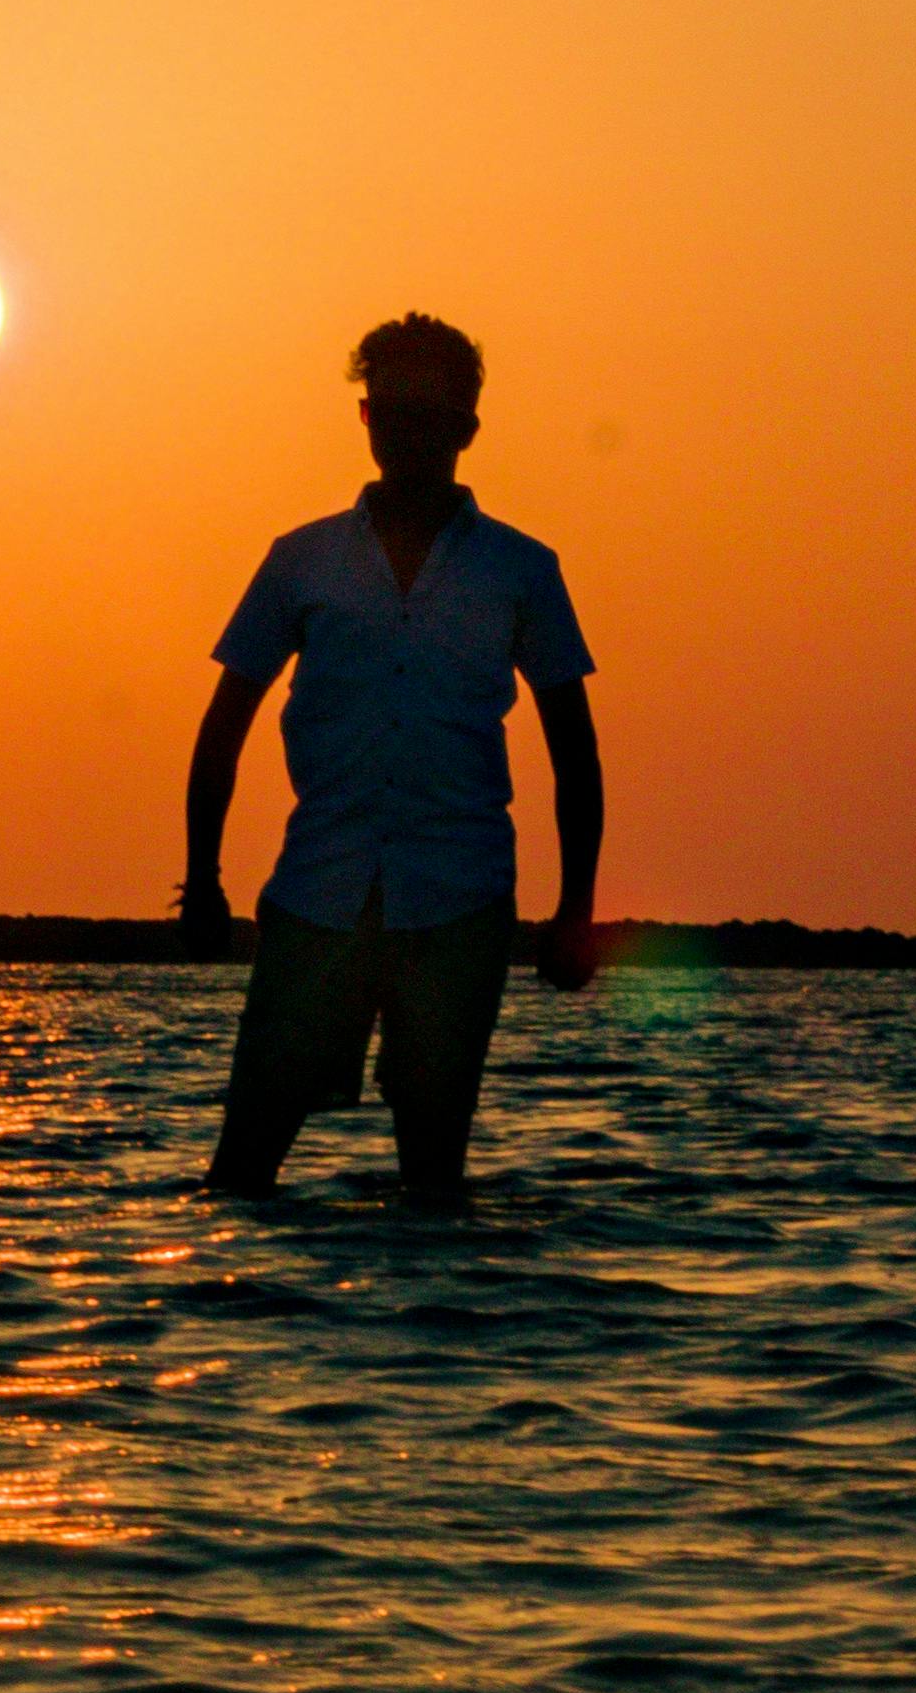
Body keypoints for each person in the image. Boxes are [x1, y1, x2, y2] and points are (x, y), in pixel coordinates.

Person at [180, 312, 603, 1205]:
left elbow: (575, 747)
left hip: (460, 901)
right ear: (368, 419)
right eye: (395, 412)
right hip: (316, 899)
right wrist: (202, 881)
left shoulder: (522, 569)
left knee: (435, 1180)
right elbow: (225, 724)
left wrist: (576, 912)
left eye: (432, 416)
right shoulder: (302, 561)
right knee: (243, 1168)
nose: (411, 433)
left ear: (467, 430)